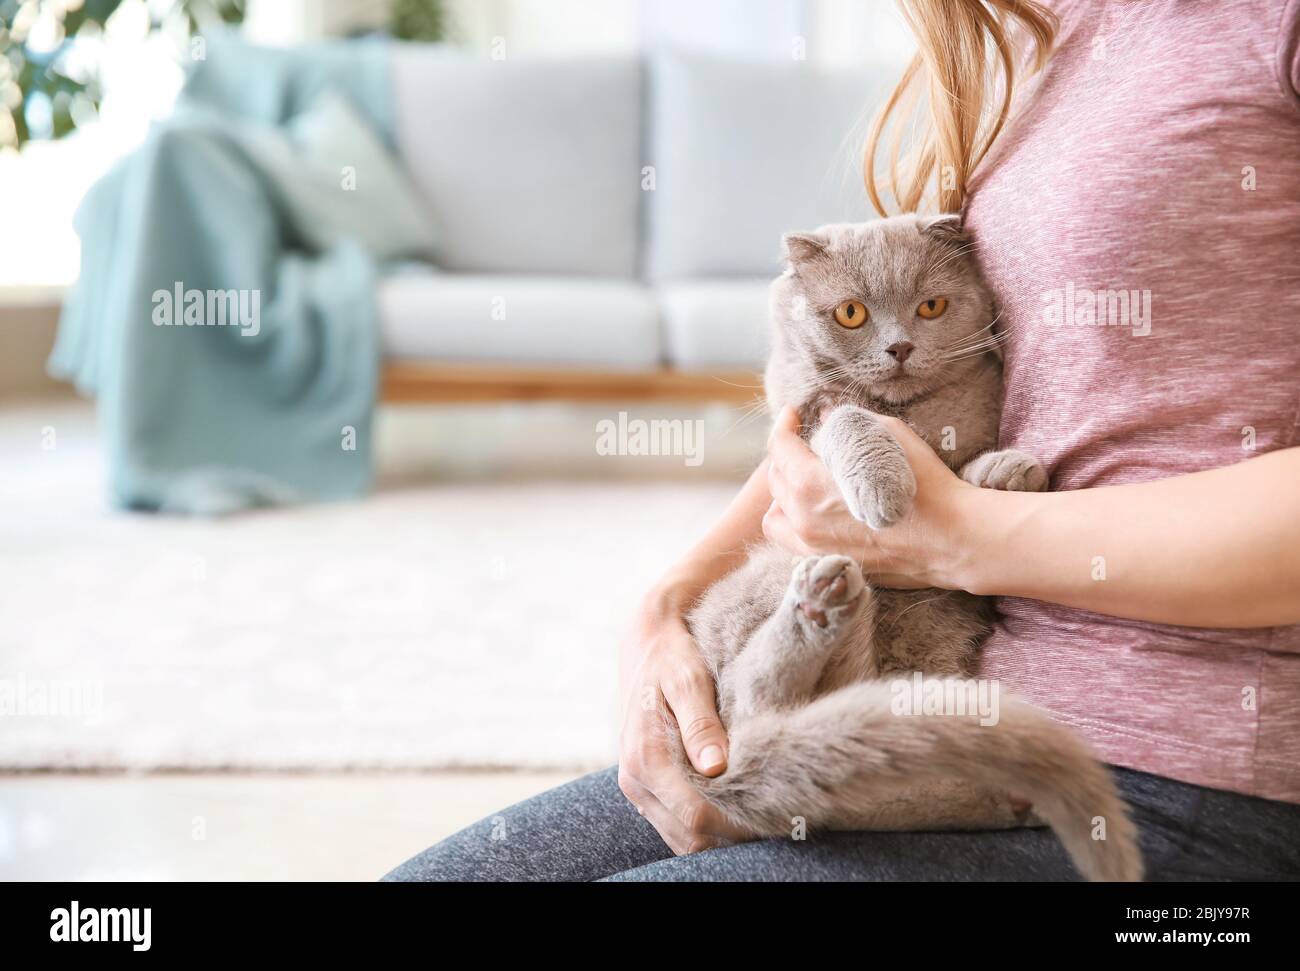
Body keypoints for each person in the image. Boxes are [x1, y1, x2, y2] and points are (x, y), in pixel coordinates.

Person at [386, 0, 1300, 881]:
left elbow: (935, 514)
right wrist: (666, 604)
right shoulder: (1029, 27)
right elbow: (860, 418)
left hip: (1178, 782)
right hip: (936, 712)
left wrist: (958, 536)